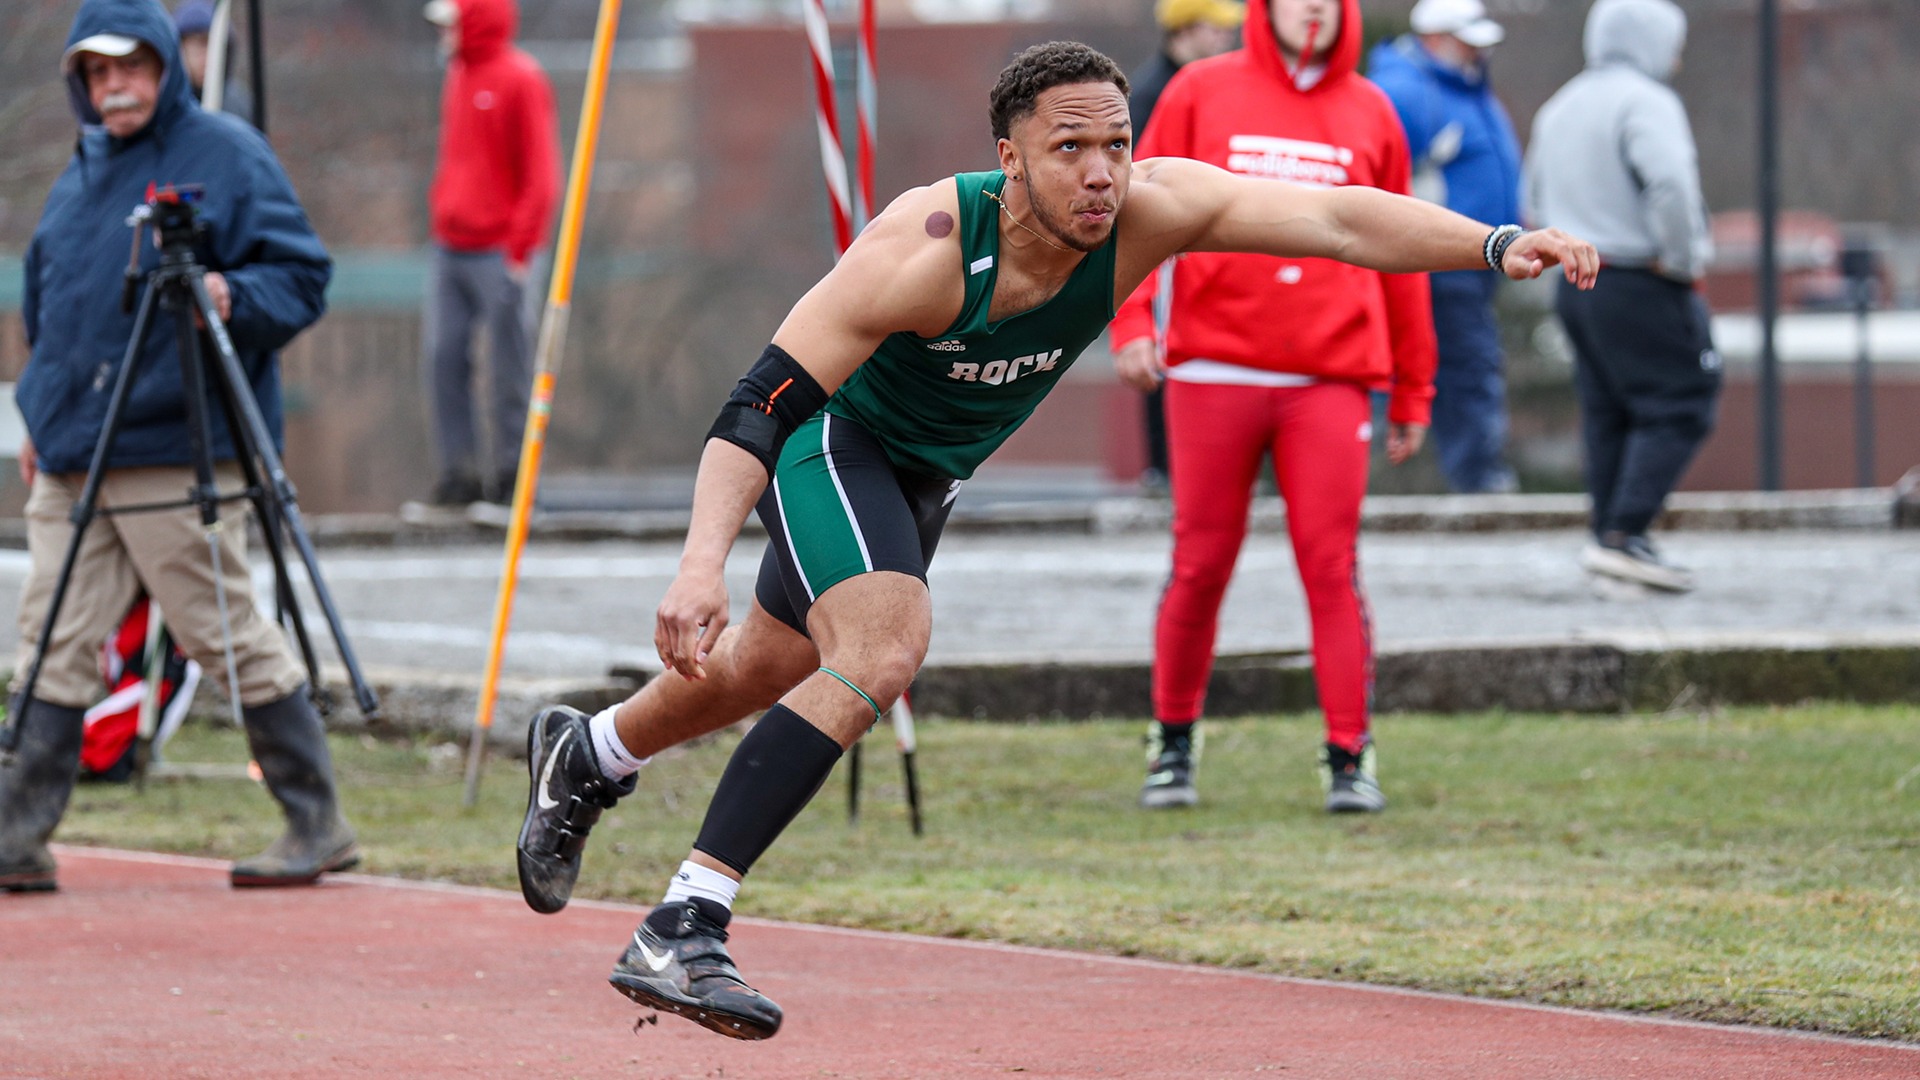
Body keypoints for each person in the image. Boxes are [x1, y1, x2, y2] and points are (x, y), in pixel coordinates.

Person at [513, 40, 1594, 1040]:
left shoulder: (1152, 211)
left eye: (1115, 146)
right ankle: (687, 919)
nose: (1099, 174)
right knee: (884, 644)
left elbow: (1341, 224)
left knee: (769, 665)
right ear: (1011, 157)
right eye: (1068, 148)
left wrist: (1495, 243)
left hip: (925, 479)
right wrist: (699, 561)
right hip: (829, 444)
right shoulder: (929, 244)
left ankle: (592, 751)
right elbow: (758, 404)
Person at [1, 0, 348, 892]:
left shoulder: (226, 153)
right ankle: (17, 836)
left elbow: (302, 276)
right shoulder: (80, 172)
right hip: (75, 452)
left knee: (221, 629)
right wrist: (41, 420)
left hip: (175, 444)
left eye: (129, 68)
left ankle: (316, 821)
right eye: (96, 73)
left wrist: (231, 295)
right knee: (50, 635)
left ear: (162, 66)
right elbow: (48, 305)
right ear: (81, 84)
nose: (114, 87)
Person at [1109, 0, 1435, 814]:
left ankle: (1349, 757)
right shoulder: (1199, 90)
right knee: (1200, 563)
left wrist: (1414, 384)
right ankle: (1171, 746)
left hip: (1330, 378)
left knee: (1330, 567)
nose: (1312, 8)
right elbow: (1138, 207)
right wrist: (1131, 318)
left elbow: (1405, 247)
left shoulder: (1371, 109)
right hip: (1214, 368)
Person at [1525, 0, 1716, 593]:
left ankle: (1608, 530)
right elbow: (1671, 183)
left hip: (1575, 284)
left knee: (1607, 409)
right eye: (1673, 43)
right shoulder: (1646, 101)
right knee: (1683, 398)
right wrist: (1682, 261)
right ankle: (1625, 534)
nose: (1679, 58)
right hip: (1638, 275)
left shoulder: (1561, 104)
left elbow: (1530, 198)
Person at [1368, 0, 1523, 494]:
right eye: (1467, 41)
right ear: (1435, 39)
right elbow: (1376, 180)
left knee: (1469, 372)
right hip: (1432, 264)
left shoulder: (1463, 86)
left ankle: (1475, 480)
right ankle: (1469, 483)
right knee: (1458, 373)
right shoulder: (1405, 91)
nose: (1478, 53)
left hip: (1469, 263)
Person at [418, 0, 559, 509]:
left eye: (450, 22)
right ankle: (458, 474)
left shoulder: (522, 79)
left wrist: (519, 251)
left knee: (509, 367)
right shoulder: (456, 75)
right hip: (451, 248)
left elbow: (542, 176)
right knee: (442, 359)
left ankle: (511, 477)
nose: (443, 33)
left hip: (501, 251)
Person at [1126, 0, 1245, 493]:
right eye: (1213, 30)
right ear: (1184, 30)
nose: (1224, 40)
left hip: (1193, 245)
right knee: (1161, 352)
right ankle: (1164, 469)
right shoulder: (1160, 91)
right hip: (1165, 248)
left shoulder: (1200, 85)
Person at [171, 0, 253, 126]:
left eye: (218, 47)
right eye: (201, 45)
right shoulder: (166, 105)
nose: (209, 57)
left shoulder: (238, 105)